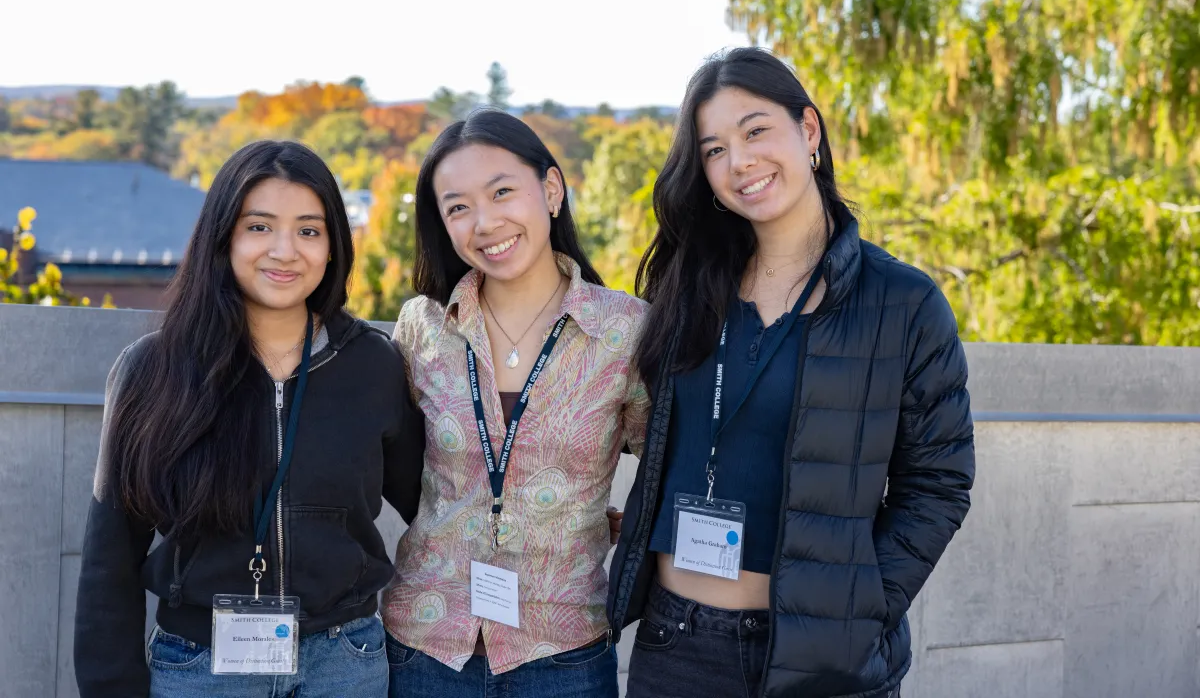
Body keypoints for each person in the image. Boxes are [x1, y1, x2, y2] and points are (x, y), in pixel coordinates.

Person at [607, 48, 976, 698]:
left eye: (755, 131)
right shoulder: (688, 289)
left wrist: (858, 613)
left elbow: (938, 483)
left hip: (819, 661)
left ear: (808, 130)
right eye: (714, 149)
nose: (739, 161)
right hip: (675, 647)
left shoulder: (902, 302)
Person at [74, 140, 425, 697]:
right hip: (200, 668)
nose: (284, 251)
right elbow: (110, 553)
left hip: (345, 663)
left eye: (308, 230)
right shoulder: (154, 370)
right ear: (223, 237)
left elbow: (435, 505)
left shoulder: (373, 364)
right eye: (259, 227)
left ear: (333, 246)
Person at [384, 110, 648, 698]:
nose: (485, 222)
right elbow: (391, 461)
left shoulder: (625, 330)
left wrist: (593, 524)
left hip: (563, 652)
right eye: (458, 207)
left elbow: (669, 463)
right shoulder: (423, 327)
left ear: (551, 190)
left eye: (502, 192)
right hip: (427, 648)